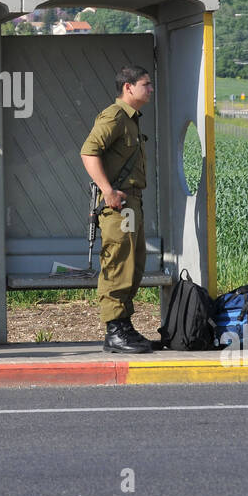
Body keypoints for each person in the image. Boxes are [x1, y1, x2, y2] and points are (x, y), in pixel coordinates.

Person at [80, 66, 154, 354]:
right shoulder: (115, 116)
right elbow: (88, 151)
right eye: (145, 84)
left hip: (131, 202)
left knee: (133, 263)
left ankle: (124, 324)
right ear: (128, 87)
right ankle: (114, 330)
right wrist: (107, 191)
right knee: (118, 263)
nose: (150, 89)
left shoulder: (132, 120)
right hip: (118, 206)